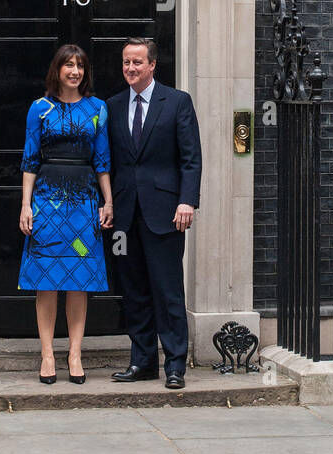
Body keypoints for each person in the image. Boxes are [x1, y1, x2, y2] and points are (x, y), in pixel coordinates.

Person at [106, 37, 202, 390]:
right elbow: (108, 161)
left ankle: (175, 364)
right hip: (125, 214)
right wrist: (108, 203)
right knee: (134, 292)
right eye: (126, 62)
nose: (130, 68)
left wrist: (187, 201)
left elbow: (191, 157)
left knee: (168, 290)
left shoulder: (177, 102)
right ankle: (142, 361)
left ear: (152, 65)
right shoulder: (112, 106)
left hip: (166, 212)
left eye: (137, 62)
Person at [19, 45, 113, 385]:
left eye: (80, 66)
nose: (74, 71)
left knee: (78, 282)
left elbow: (102, 160)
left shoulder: (97, 108)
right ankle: (47, 353)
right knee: (46, 281)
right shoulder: (39, 109)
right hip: (46, 201)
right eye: (68, 65)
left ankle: (75, 352)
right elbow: (29, 160)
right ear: (57, 69)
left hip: (84, 203)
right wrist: (26, 204)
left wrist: (108, 201)